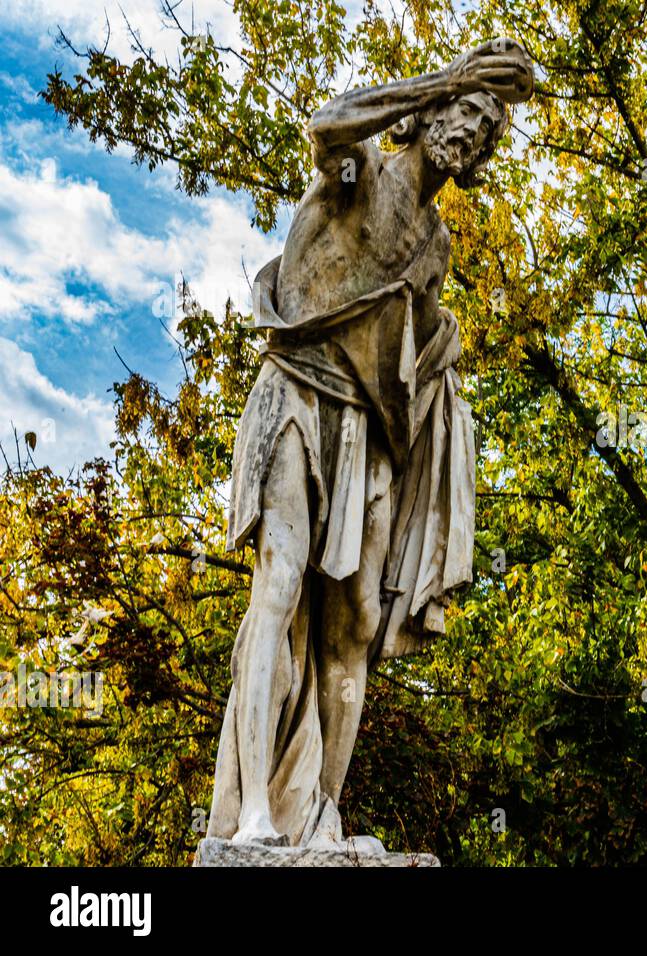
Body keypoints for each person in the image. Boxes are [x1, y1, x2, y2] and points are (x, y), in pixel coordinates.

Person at [206, 39, 534, 849]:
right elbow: (325, 124)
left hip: (366, 434)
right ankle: (253, 816)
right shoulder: (360, 176)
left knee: (353, 626)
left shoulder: (437, 249)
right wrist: (446, 76)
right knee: (278, 589)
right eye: (465, 113)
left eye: (487, 130)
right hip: (298, 393)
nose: (474, 132)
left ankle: (317, 814)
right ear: (431, 111)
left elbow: (409, 359)